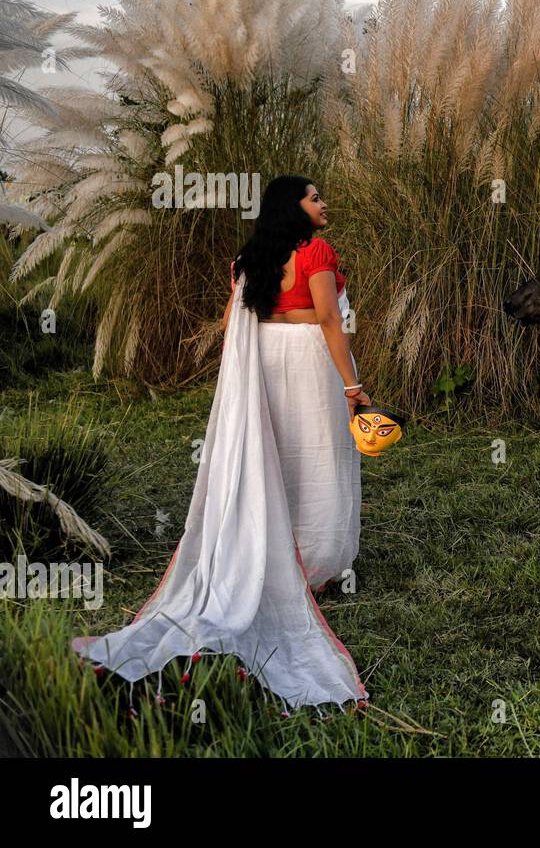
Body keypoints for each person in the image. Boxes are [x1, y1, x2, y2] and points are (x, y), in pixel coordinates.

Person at [73, 175, 369, 711]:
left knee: (272, 457)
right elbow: (328, 318)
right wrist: (352, 384)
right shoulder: (316, 250)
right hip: (307, 363)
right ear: (293, 208)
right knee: (318, 456)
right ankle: (316, 568)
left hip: (265, 367)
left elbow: (246, 320)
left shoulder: (248, 260)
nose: (324, 204)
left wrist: (288, 317)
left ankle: (279, 556)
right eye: (315, 197)